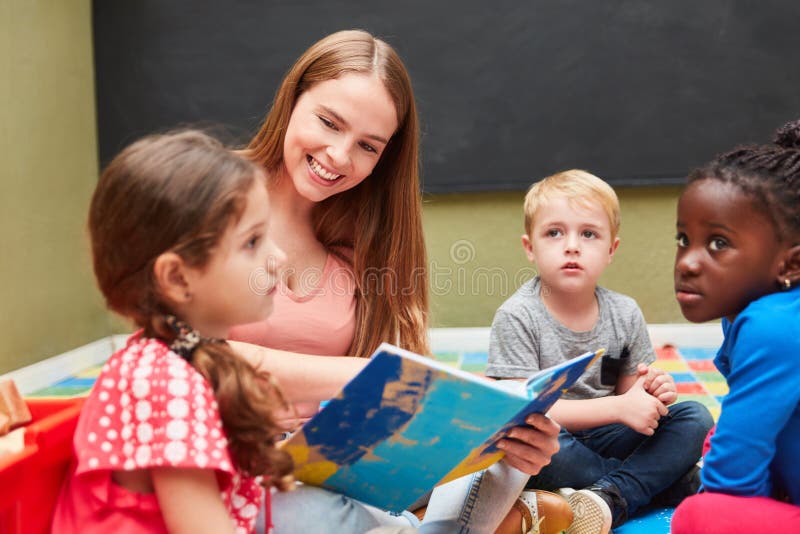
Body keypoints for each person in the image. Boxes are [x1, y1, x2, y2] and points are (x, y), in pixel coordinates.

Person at [224, 29, 563, 533]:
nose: (339, 156)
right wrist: (364, 376)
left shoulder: (363, 236)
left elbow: (385, 429)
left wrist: (504, 441)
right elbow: (190, 355)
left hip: (330, 472)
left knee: (505, 457)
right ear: (293, 97)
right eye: (328, 122)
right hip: (238, 467)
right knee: (305, 512)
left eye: (367, 145)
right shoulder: (212, 195)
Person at [51, 131, 294, 533]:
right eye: (252, 242)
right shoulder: (165, 382)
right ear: (178, 277)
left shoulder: (181, 359)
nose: (278, 257)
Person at [485, 170, 714, 533]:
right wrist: (620, 408)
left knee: (695, 417)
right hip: (553, 442)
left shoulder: (624, 313)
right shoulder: (517, 315)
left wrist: (652, 393)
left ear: (611, 249)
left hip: (611, 434)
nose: (572, 245)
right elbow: (521, 409)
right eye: (554, 233)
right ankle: (651, 485)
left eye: (588, 234)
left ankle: (607, 496)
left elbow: (629, 396)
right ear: (530, 247)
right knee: (526, 441)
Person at [670, 120, 800, 533]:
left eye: (718, 244)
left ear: (790, 263)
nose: (688, 262)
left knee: (697, 517)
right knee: (716, 438)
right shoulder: (748, 311)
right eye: (683, 239)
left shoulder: (774, 324)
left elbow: (732, 480)